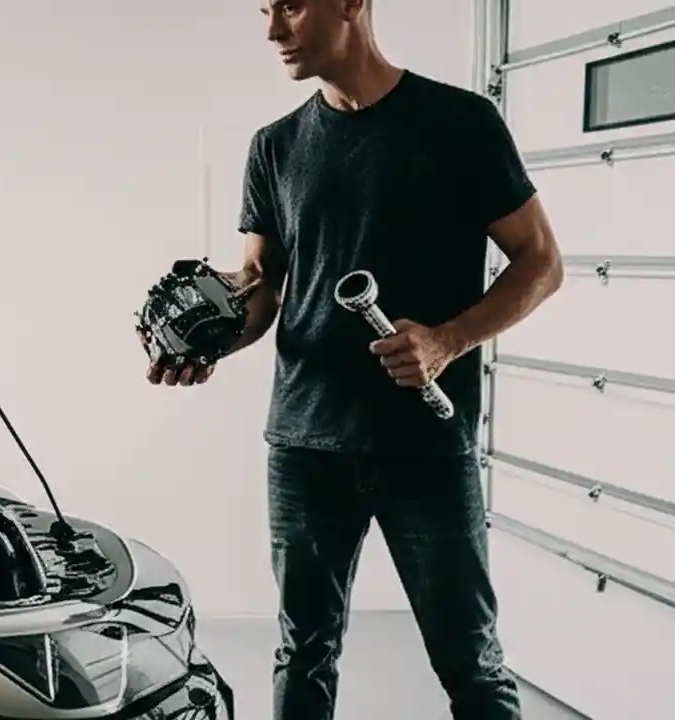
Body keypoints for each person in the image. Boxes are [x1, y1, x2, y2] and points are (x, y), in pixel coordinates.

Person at [143, 1, 564, 718]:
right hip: (305, 444)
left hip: (425, 443)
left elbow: (541, 262)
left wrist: (447, 340)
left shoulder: (461, 123)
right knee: (303, 653)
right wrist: (213, 341)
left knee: (471, 661)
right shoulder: (275, 146)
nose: (272, 30)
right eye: (265, 10)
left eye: (290, 5)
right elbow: (262, 285)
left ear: (351, 3)